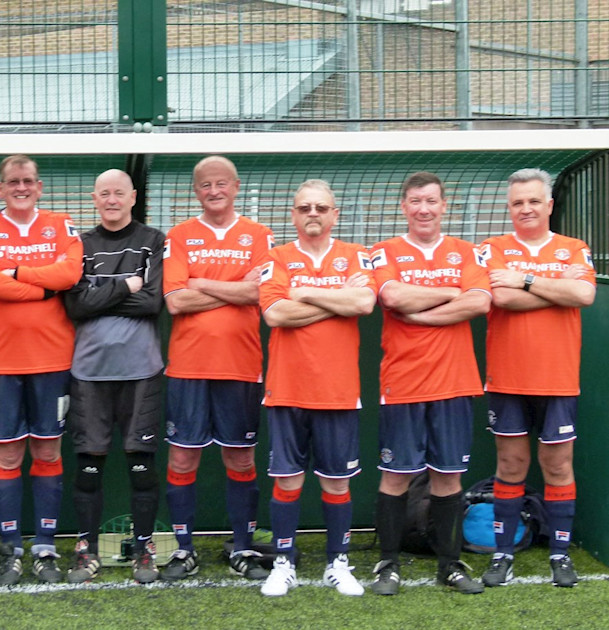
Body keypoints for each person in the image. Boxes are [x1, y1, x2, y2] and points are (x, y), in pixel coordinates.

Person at [368, 171, 490, 595]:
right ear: (404, 206)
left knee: (448, 478)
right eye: (416, 201)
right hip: (402, 383)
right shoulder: (383, 251)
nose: (424, 209)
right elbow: (393, 297)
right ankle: (388, 564)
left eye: (431, 201)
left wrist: (422, 314)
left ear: (444, 205)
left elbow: (480, 300)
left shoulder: (467, 252)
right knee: (395, 476)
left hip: (455, 383)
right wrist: (453, 292)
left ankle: (449, 565)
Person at [478, 168, 595, 588]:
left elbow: (584, 294)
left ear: (548, 205)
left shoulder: (574, 248)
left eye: (532, 201)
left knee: (557, 465)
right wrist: (556, 287)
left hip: (558, 378)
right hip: (507, 378)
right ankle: (503, 554)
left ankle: (560, 555)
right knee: (511, 464)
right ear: (509, 208)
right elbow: (501, 297)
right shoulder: (492, 248)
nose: (525, 208)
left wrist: (526, 279)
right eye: (517, 202)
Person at [257, 180, 375, 597]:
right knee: (288, 481)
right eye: (305, 207)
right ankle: (283, 563)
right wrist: (338, 298)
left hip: (338, 391)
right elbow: (275, 313)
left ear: (334, 214)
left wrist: (305, 291)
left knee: (337, 483)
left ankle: (337, 563)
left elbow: (364, 303)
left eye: (321, 208)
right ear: (293, 214)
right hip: (287, 388)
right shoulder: (276, 257)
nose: (313, 214)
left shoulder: (356, 254)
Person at [0, 155, 83, 585]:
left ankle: (45, 546)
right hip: (1, 361)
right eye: (13, 181)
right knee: (7, 453)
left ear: (39, 187)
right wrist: (42, 289)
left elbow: (70, 274)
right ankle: (11, 548)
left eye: (28, 181)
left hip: (53, 359)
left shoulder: (60, 224)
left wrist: (15, 272)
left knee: (48, 451)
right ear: (0, 188)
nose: (21, 187)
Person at [161, 155, 274, 580]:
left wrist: (202, 283)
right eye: (206, 185)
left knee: (241, 459)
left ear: (236, 186)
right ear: (196, 191)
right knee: (182, 457)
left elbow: (260, 293)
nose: (214, 191)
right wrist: (236, 286)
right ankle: (184, 550)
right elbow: (176, 301)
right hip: (188, 367)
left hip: (240, 366)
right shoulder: (180, 235)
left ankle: (242, 548)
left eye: (221, 183)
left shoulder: (259, 234)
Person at [62, 169, 166, 584]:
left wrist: (99, 295)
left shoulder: (153, 240)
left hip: (141, 370)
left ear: (132, 197)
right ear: (94, 198)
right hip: (89, 371)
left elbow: (152, 303)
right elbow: (76, 306)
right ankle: (86, 550)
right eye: (104, 193)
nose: (111, 200)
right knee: (89, 464)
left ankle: (144, 549)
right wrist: (126, 285)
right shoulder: (80, 244)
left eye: (118, 193)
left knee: (141, 464)